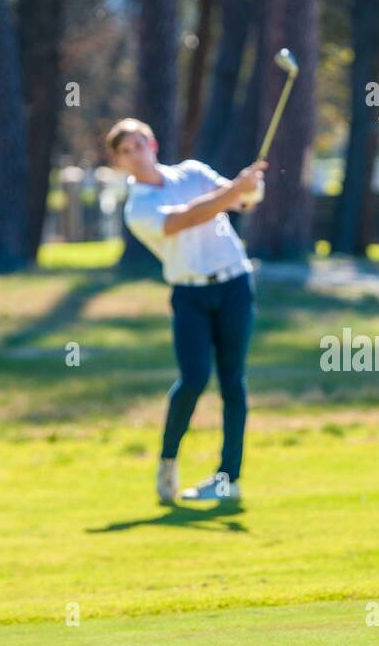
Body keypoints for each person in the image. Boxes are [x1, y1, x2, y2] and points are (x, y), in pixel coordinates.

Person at [107, 117, 266, 504]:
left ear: (153, 144)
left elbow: (243, 202)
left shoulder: (192, 172)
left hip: (234, 285)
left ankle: (229, 477)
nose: (135, 155)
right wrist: (234, 191)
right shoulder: (138, 208)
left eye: (139, 145)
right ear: (120, 162)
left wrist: (250, 189)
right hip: (189, 295)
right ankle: (168, 459)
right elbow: (184, 219)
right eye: (126, 151)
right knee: (193, 379)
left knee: (233, 382)